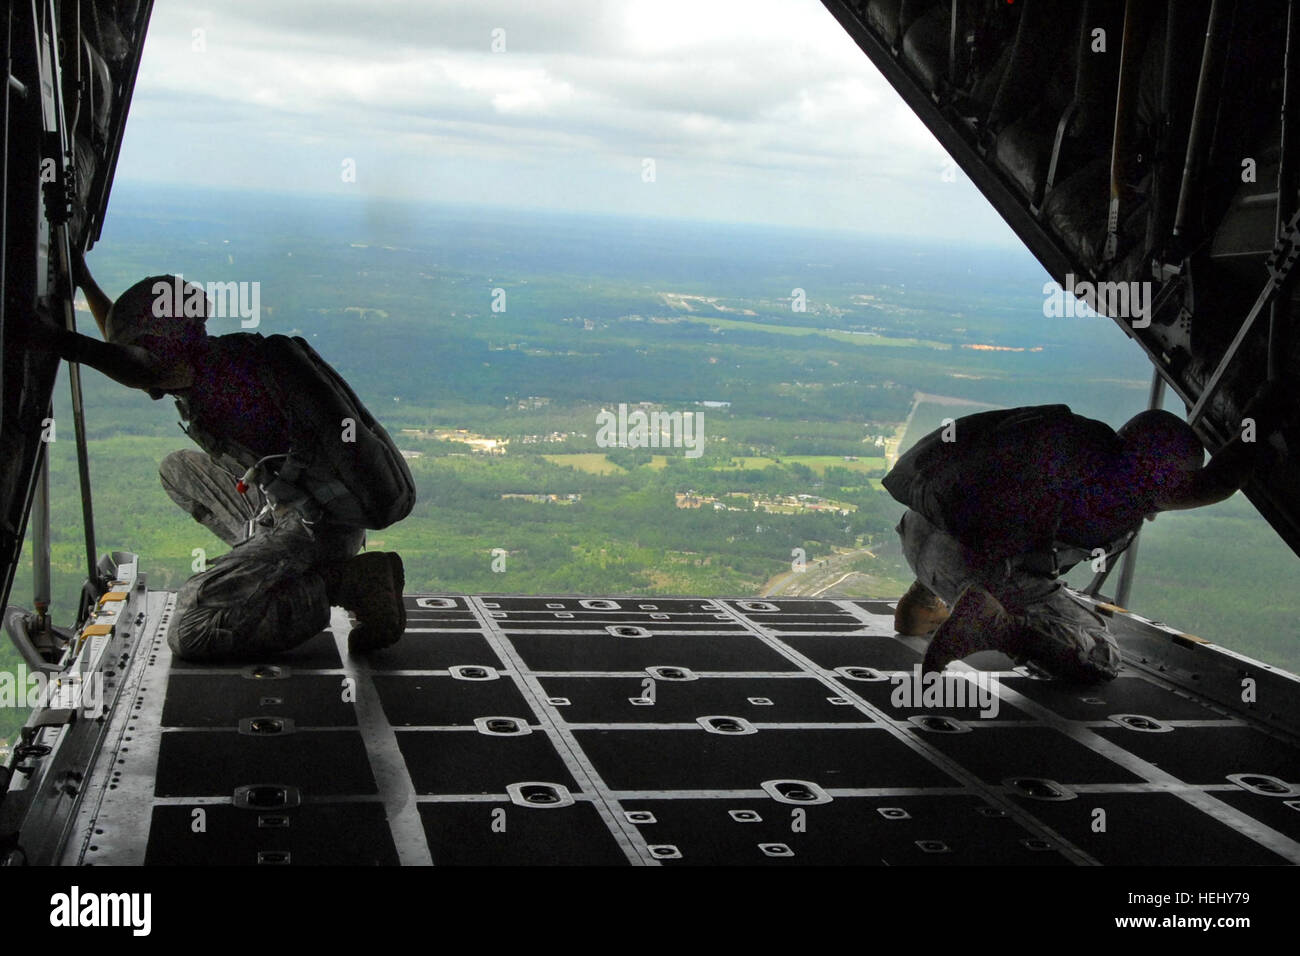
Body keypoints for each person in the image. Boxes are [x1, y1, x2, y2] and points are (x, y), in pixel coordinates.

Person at [24, 256, 410, 661]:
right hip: (293, 503)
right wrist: (85, 282)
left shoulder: (228, 388)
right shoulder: (222, 359)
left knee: (190, 632)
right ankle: (276, 564)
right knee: (178, 469)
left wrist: (52, 339)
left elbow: (138, 369)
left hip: (316, 527)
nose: (151, 390)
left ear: (161, 348)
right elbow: (135, 362)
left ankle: (345, 582)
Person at [884, 391, 1292, 683]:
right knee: (1099, 656)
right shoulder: (1127, 490)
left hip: (917, 529)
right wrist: (1261, 417)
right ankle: (991, 625)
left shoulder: (1072, 436)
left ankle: (921, 603)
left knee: (992, 523)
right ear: (1166, 480)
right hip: (973, 566)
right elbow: (1220, 482)